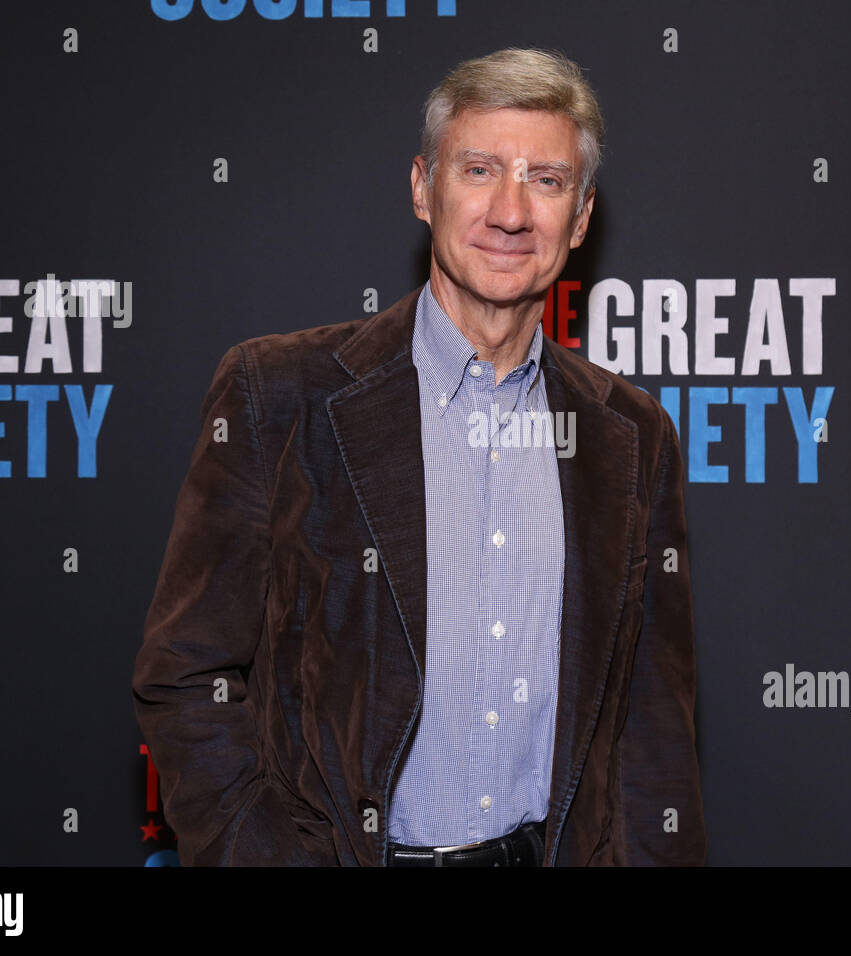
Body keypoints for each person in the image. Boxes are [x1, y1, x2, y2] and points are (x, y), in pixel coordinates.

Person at [132, 47, 704, 866]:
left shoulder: (631, 434)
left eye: (545, 180)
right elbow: (186, 677)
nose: (511, 212)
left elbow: (655, 729)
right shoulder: (280, 395)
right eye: (478, 169)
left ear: (579, 219)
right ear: (422, 189)